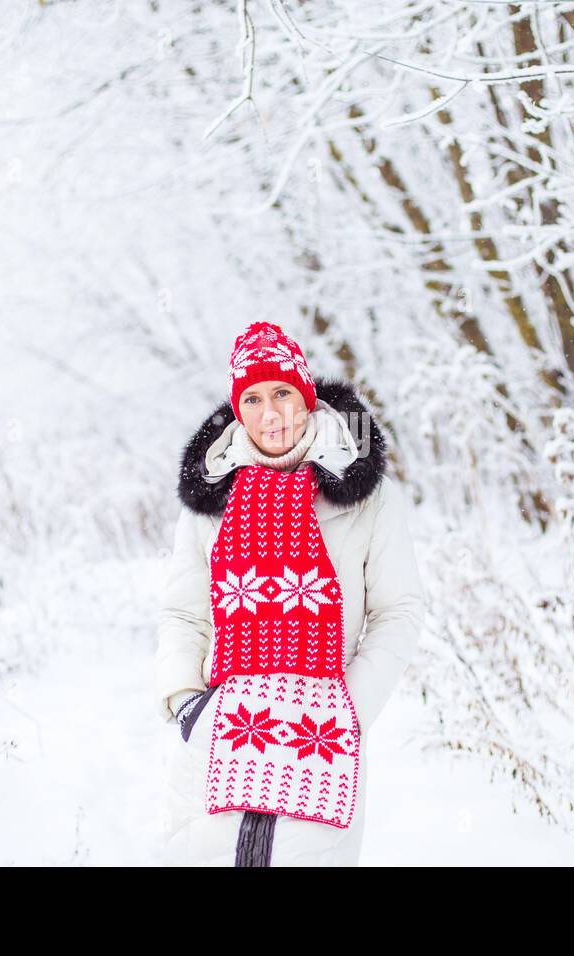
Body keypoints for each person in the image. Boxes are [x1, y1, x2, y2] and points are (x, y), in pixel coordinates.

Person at [153, 320, 425, 866]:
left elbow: (398, 612)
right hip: (218, 735)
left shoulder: (367, 496)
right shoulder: (214, 497)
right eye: (251, 398)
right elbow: (183, 613)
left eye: (282, 392)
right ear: (236, 408)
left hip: (321, 738)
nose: (269, 413)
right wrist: (188, 704)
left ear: (306, 394)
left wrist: (348, 707)